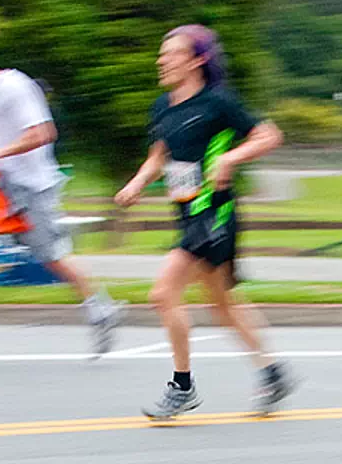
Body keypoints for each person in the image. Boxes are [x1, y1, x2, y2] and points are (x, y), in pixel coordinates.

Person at [114, 25, 295, 419]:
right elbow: (159, 154)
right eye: (161, 53)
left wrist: (231, 159)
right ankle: (273, 373)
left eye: (171, 53)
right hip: (187, 215)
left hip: (215, 215)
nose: (162, 60)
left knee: (163, 293)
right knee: (223, 306)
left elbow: (269, 136)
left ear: (197, 60)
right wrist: (138, 182)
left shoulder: (218, 103)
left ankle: (182, 386)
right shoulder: (163, 106)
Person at [0, 48, 125, 358]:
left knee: (51, 256)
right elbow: (0, 122)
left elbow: (43, 133)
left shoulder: (16, 87)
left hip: (34, 187)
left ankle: (101, 307)